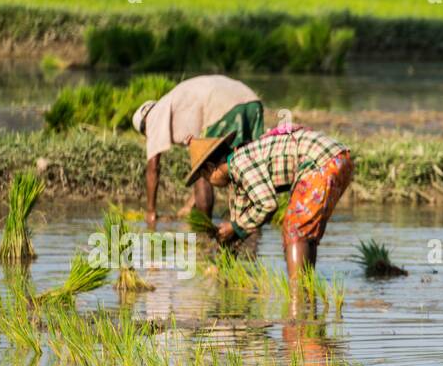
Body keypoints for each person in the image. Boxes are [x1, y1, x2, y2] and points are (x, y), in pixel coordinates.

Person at [184, 126, 353, 315]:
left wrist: (234, 227)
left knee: (294, 228)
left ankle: (298, 305)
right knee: (307, 234)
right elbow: (242, 220)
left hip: (322, 160)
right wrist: (224, 256)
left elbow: (267, 205)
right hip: (337, 158)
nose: (209, 182)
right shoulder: (240, 174)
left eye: (206, 177)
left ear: (211, 168)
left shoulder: (241, 163)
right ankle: (307, 303)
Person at [131, 75, 264, 226]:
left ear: (145, 125)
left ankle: (204, 230)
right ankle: (253, 225)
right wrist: (189, 206)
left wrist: (150, 211)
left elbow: (152, 169)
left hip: (223, 106)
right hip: (251, 100)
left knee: (202, 165)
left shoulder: (153, 116)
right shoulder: (175, 103)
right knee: (247, 163)